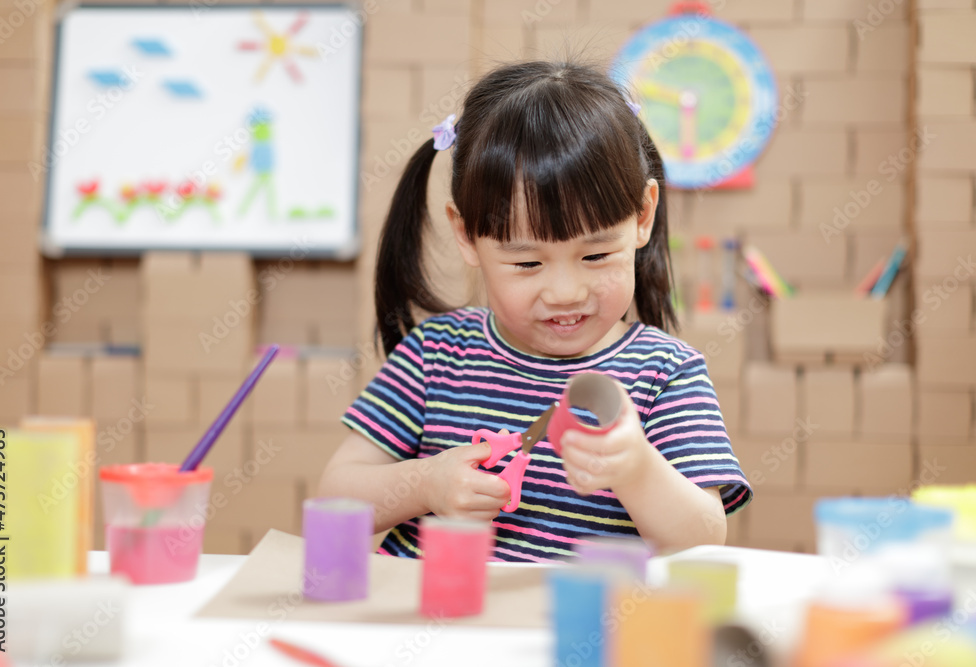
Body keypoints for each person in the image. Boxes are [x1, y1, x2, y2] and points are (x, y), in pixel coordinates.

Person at [318, 60, 751, 562]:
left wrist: (636, 469)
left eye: (595, 256)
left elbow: (702, 539)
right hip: (432, 628)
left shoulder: (664, 374)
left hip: (575, 633)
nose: (565, 292)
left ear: (643, 215)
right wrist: (426, 483)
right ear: (466, 235)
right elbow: (333, 499)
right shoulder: (435, 354)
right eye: (526, 262)